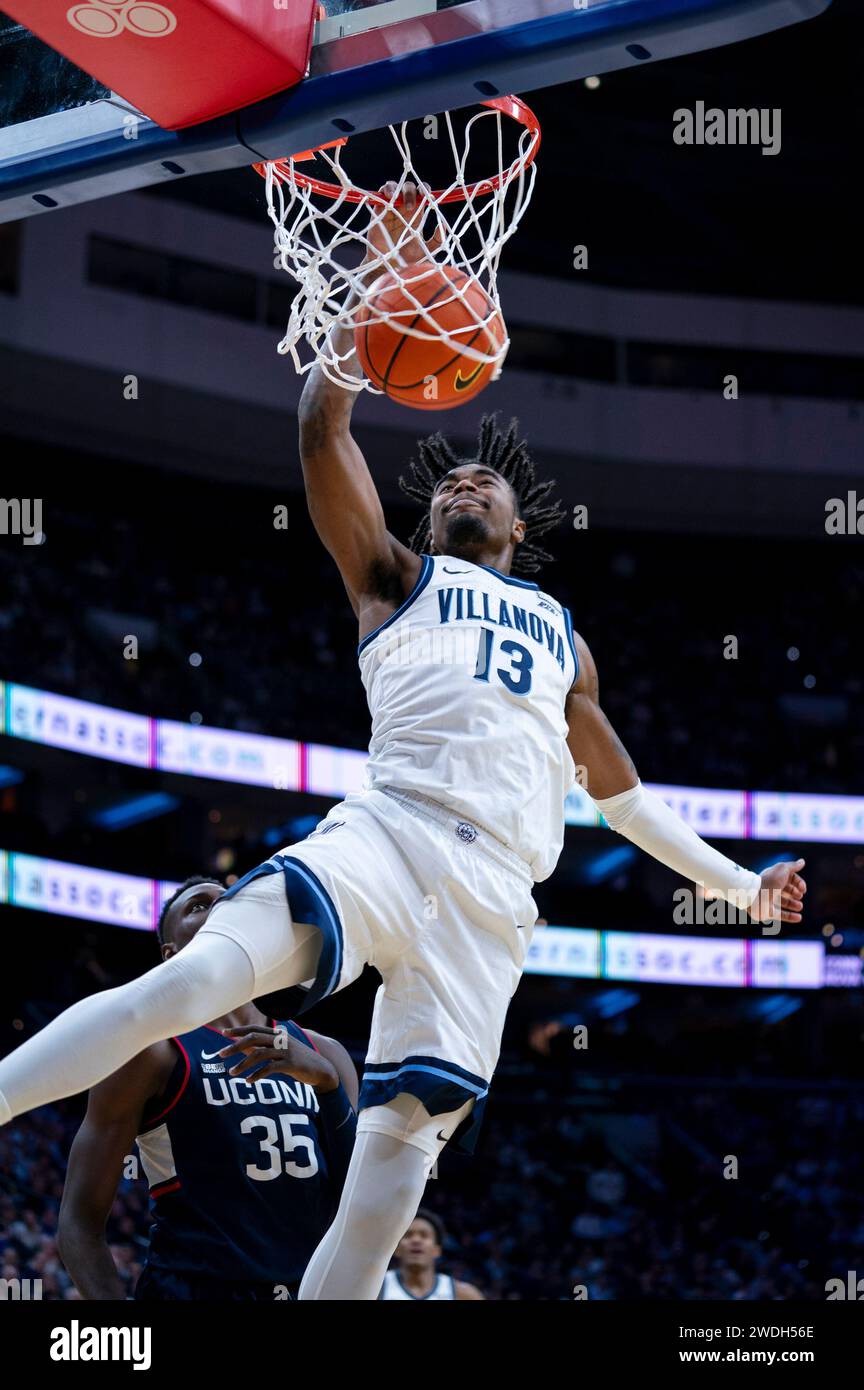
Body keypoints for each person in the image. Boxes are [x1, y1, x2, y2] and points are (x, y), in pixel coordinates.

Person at [0, 184, 806, 1301]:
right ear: (427, 524)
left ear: (521, 529)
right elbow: (320, 429)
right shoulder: (394, 578)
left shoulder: (567, 639)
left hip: (494, 901)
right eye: (449, 486)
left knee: (388, 1179)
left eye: (488, 482)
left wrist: (740, 885)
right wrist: (366, 298)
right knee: (182, 988)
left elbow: (622, 798)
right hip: (391, 832)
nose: (468, 481)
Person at [57, 878, 357, 1301]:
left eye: (231, 900)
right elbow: (78, 1223)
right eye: (199, 906)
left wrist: (327, 1085)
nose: (221, 908)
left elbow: (361, 1198)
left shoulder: (324, 1053)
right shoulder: (151, 1052)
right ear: (171, 954)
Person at [380, 1210, 484, 1300]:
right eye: (408, 1235)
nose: (416, 1240)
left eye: (424, 1235)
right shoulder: (377, 1289)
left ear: (437, 1250)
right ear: (396, 1249)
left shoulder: (464, 1295)